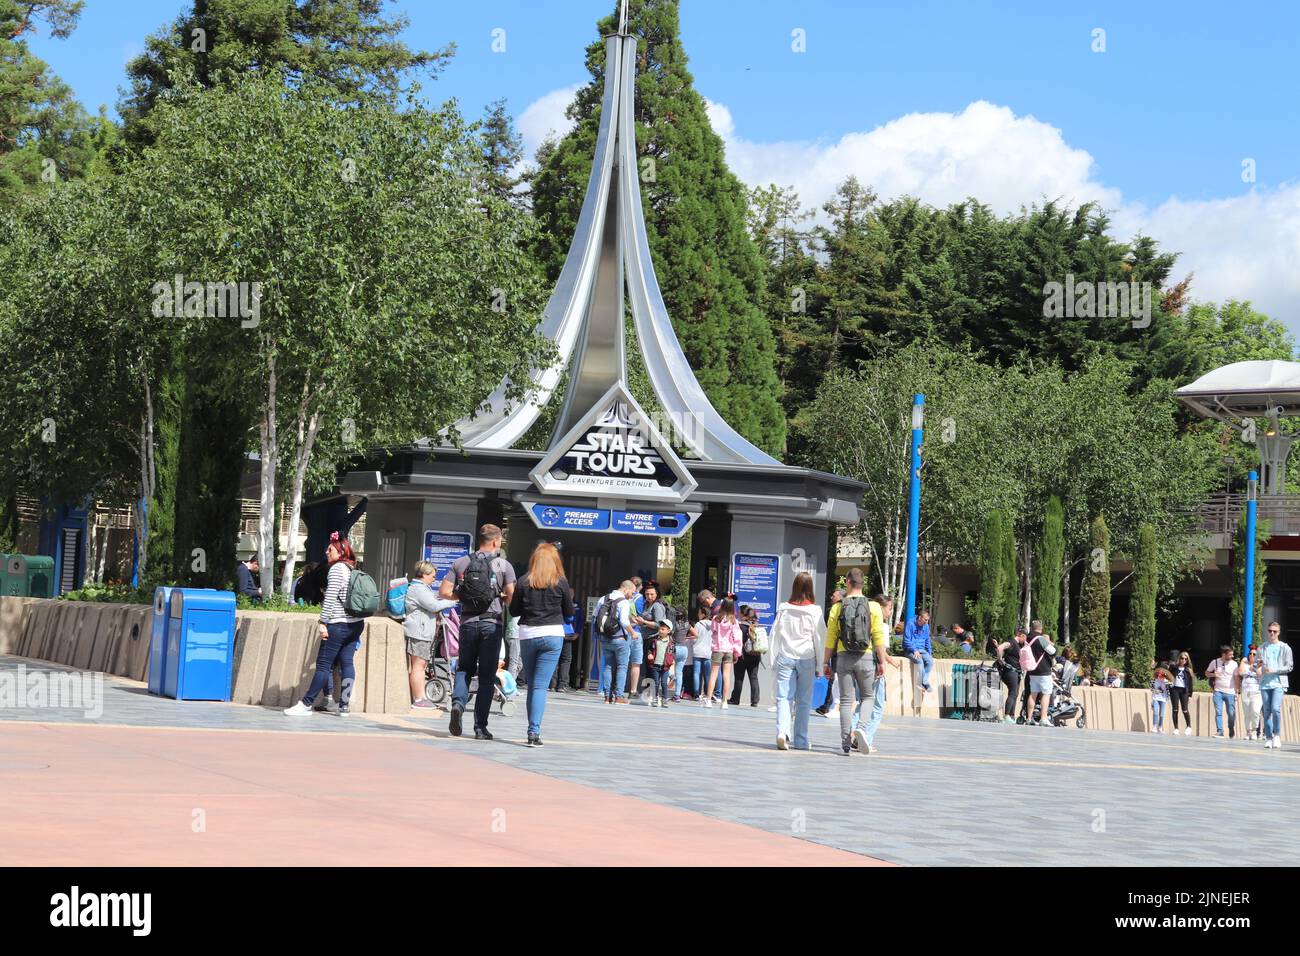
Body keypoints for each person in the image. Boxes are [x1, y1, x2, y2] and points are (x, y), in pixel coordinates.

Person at [440, 523, 517, 740]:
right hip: (491, 624)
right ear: (495, 541)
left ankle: (458, 704)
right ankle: (480, 728)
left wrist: (463, 597)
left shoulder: (461, 562)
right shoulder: (504, 565)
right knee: (486, 676)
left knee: (464, 668)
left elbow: (444, 592)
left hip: (467, 623)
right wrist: (499, 597)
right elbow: (512, 597)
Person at [284, 534, 361, 717]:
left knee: (323, 665)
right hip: (355, 625)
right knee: (347, 663)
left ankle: (306, 704)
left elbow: (331, 597)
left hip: (338, 624)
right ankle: (344, 706)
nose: (326, 552)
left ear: (340, 552)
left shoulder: (336, 570)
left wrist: (322, 622)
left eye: (330, 549)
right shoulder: (352, 568)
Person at [508, 542, 574, 746]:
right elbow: (569, 613)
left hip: (528, 634)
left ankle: (531, 729)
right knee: (540, 687)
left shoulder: (523, 581)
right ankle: (533, 732)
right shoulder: (560, 582)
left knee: (532, 685)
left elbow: (513, 611)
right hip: (552, 634)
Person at [825, 568, 894, 755]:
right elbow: (878, 637)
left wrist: (825, 663)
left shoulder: (837, 607)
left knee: (847, 701)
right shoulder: (873, 607)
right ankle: (862, 728)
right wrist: (882, 662)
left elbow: (830, 637)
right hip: (866, 656)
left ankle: (846, 742)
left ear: (847, 582)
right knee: (868, 697)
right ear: (863, 583)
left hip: (844, 656)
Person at [768, 572, 827, 750]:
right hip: (807, 658)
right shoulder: (815, 611)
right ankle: (800, 740)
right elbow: (819, 638)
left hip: (785, 657)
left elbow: (775, 636)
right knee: (803, 701)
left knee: (783, 697)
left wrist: (772, 659)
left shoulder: (783, 608)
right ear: (810, 588)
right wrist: (820, 665)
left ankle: (782, 733)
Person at [403, 560, 458, 711]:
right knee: (418, 666)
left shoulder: (421, 588)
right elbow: (433, 606)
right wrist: (453, 601)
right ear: (424, 574)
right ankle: (419, 699)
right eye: (433, 575)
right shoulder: (418, 589)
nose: (434, 578)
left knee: (421, 665)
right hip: (419, 633)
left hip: (422, 632)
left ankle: (421, 697)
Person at [597, 580, 637, 704]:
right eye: (632, 592)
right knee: (622, 667)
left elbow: (595, 617)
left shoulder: (603, 599)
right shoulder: (624, 602)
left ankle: (607, 697)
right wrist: (633, 633)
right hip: (620, 639)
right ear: (626, 589)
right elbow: (624, 621)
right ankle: (619, 696)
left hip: (605, 638)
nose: (632, 595)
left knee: (608, 666)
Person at [1259, 621, 1293, 749]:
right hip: (1265, 683)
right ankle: (1268, 737)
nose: (1272, 633)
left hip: (1279, 683)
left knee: (1275, 708)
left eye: (1274, 631)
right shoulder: (1262, 647)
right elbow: (1256, 664)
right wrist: (1257, 667)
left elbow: (1289, 667)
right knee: (1266, 711)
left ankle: (1277, 735)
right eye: (1270, 631)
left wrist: (1275, 670)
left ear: (1279, 632)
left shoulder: (1285, 647)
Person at [636, 582, 669, 701]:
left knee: (651, 666)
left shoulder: (657, 606)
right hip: (646, 638)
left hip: (654, 639)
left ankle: (651, 694)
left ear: (657, 594)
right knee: (647, 666)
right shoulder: (646, 605)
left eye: (651, 594)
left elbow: (659, 624)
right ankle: (648, 693)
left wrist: (644, 622)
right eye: (647, 594)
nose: (649, 596)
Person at [705, 599, 741, 708]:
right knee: (727, 675)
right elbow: (738, 637)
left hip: (717, 649)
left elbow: (713, 630)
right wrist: (737, 652)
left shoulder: (716, 618)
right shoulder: (734, 620)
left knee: (713, 674)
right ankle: (724, 702)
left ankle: (708, 701)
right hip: (729, 650)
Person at [814, 589, 844, 717]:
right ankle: (828, 704)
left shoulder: (836, 610)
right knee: (833, 678)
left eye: (834, 595)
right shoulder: (836, 609)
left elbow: (831, 633)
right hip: (838, 649)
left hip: (837, 648)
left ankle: (830, 705)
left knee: (834, 678)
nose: (831, 596)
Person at [989, 628, 1025, 724]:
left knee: (1015, 694)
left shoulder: (1018, 645)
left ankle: (1012, 715)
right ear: (1021, 635)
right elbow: (1001, 648)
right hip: (1010, 672)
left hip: (1016, 672)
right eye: (1025, 638)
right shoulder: (1011, 642)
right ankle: (1007, 716)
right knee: (1013, 693)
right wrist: (1000, 660)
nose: (1025, 641)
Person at [729, 605, 764, 706]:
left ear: (743, 614)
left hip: (742, 656)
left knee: (739, 678)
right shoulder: (757, 626)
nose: (738, 614)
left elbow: (738, 641)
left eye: (739, 612)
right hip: (755, 655)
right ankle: (755, 701)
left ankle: (735, 699)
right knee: (754, 677)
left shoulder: (741, 626)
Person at [1022, 624, 1056, 726]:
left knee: (1033, 694)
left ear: (1032, 628)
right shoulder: (1041, 639)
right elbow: (1053, 651)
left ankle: (1028, 718)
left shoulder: (1027, 638)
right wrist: (1049, 643)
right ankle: (1043, 718)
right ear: (1041, 629)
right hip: (1043, 671)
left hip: (1032, 670)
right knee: (1046, 693)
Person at [1206, 645, 1239, 739]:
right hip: (1218, 691)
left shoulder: (1234, 664)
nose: (1232, 656)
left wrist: (1237, 691)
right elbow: (1207, 673)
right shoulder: (1215, 662)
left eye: (1233, 654)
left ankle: (1231, 727)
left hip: (1230, 692)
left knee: (1231, 713)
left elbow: (1236, 678)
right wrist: (1213, 674)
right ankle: (1220, 731)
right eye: (1230, 654)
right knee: (1218, 711)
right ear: (1224, 654)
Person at [550, 589, 579, 693]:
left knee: (554, 659)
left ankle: (552, 685)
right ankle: (562, 685)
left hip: (553, 631)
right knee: (566, 659)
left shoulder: (553, 602)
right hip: (566, 632)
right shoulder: (567, 604)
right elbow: (570, 618)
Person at [903, 608, 933, 694]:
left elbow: (927, 640)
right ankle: (921, 683)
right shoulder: (910, 623)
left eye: (928, 620)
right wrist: (914, 650)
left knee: (930, 661)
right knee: (919, 660)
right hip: (910, 650)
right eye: (926, 620)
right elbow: (906, 640)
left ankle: (924, 681)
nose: (927, 622)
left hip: (921, 649)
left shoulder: (926, 626)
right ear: (920, 618)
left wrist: (929, 653)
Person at [646, 620, 674, 707]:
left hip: (665, 666)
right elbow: (650, 649)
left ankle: (664, 699)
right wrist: (649, 654)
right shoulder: (654, 640)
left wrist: (672, 661)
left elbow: (673, 653)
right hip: (655, 665)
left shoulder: (671, 643)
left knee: (664, 683)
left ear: (668, 631)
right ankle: (655, 698)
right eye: (659, 629)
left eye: (663, 629)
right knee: (656, 682)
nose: (660, 631)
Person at [689, 603, 713, 702]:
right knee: (708, 674)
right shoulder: (712, 625)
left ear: (703, 614)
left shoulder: (698, 624)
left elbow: (694, 638)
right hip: (708, 652)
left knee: (696, 673)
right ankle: (708, 693)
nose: (698, 615)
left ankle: (696, 694)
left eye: (699, 613)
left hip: (697, 651)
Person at [1239, 646, 1263, 741]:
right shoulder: (1244, 664)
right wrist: (1242, 661)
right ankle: (1248, 731)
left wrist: (1256, 665)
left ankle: (1254, 730)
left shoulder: (1260, 665)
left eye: (1254, 654)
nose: (1251, 655)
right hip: (1245, 690)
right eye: (1250, 654)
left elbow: (1259, 674)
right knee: (1247, 712)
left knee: (1255, 711)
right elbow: (1240, 672)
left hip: (1257, 691)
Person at [1169, 651, 1196, 735]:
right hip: (1174, 690)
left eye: (1185, 659)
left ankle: (1188, 726)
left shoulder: (1188, 670)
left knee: (1185, 709)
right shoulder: (1173, 667)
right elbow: (1168, 676)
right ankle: (1176, 728)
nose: (1183, 660)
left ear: (1187, 660)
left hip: (1184, 691)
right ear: (1179, 658)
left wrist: (1190, 695)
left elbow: (1190, 683)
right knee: (1175, 709)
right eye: (1182, 658)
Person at [670, 604, 692, 702]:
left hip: (675, 647)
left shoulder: (674, 623)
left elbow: (670, 634)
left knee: (664, 665)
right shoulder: (687, 624)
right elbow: (696, 635)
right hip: (684, 649)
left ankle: (671, 676)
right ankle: (677, 695)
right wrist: (686, 637)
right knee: (679, 672)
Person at [1151, 666, 1172, 734]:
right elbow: (1152, 689)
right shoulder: (1154, 680)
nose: (1160, 675)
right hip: (1155, 698)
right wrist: (1157, 691)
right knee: (1155, 712)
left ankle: (1160, 727)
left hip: (1163, 699)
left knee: (1161, 714)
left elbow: (1172, 686)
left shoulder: (1166, 681)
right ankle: (1154, 726)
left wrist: (1166, 680)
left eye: (1162, 674)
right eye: (1159, 673)